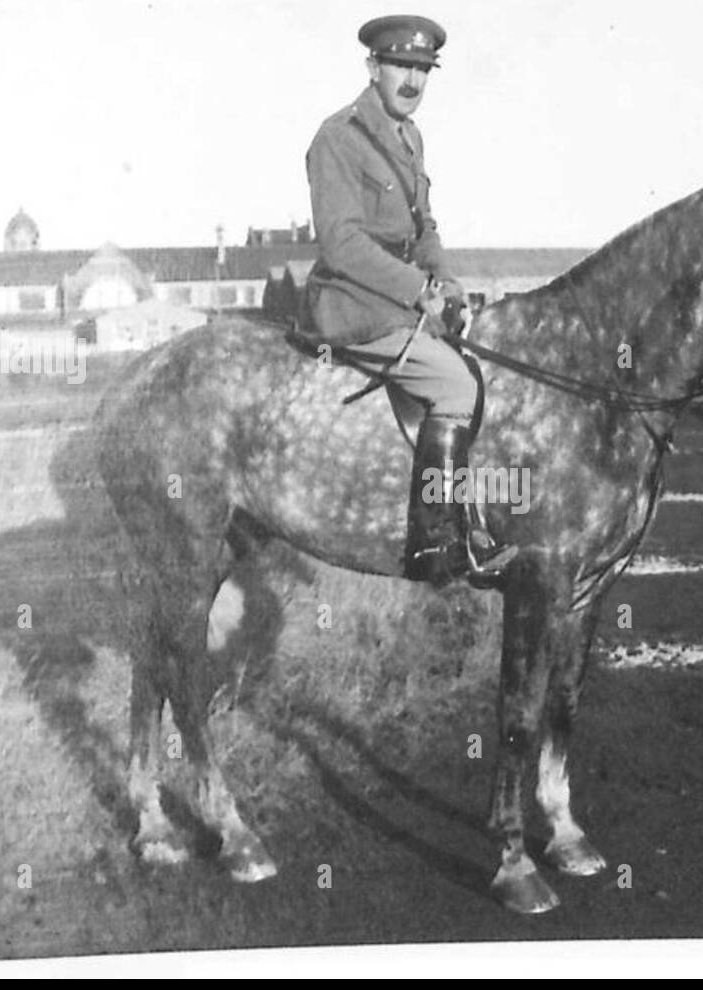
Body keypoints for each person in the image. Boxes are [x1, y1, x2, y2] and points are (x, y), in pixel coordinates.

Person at [304, 15, 517, 587]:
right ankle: (434, 542)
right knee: (455, 385)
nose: (413, 81)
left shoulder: (409, 137)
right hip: (355, 305)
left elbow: (423, 231)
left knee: (478, 365)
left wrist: (446, 282)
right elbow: (342, 243)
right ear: (373, 67)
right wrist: (418, 292)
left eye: (423, 70)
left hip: (399, 302)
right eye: (402, 66)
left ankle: (474, 519)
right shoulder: (339, 138)